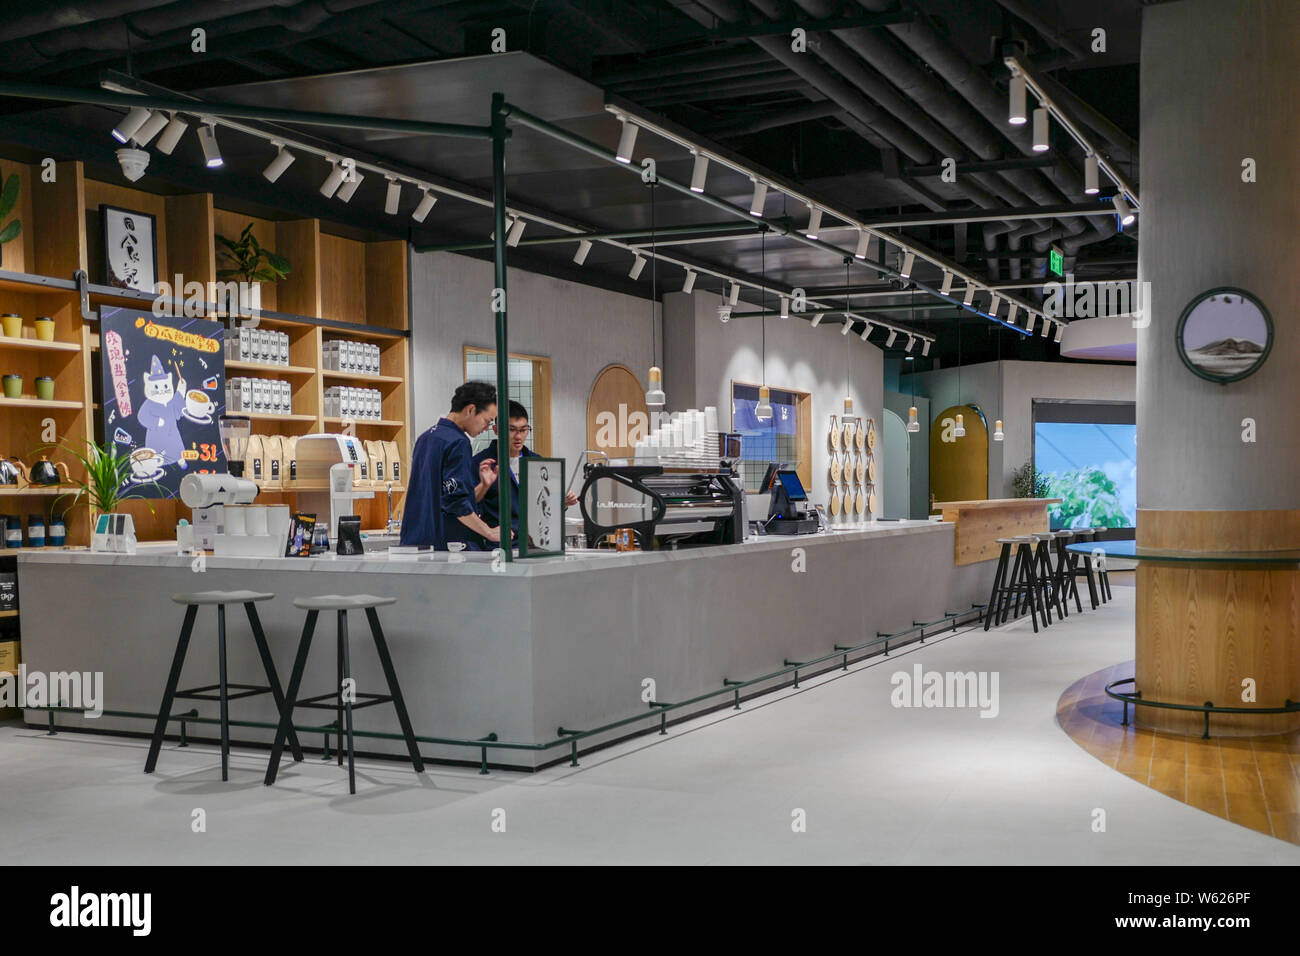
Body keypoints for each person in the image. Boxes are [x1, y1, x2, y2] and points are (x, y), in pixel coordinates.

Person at [400, 381, 502, 550]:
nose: (487, 428)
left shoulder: (426, 437)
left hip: (416, 541)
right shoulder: (458, 443)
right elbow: (456, 504)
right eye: (487, 421)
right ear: (470, 410)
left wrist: (483, 486)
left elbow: (448, 495)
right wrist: (490, 532)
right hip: (447, 545)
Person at [473, 400, 578, 540]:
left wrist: (562, 503)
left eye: (523, 430)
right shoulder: (481, 463)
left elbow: (544, 509)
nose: (518, 436)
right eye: (511, 430)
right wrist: (484, 486)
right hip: (498, 546)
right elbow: (466, 507)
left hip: (534, 544)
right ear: (496, 430)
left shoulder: (537, 462)